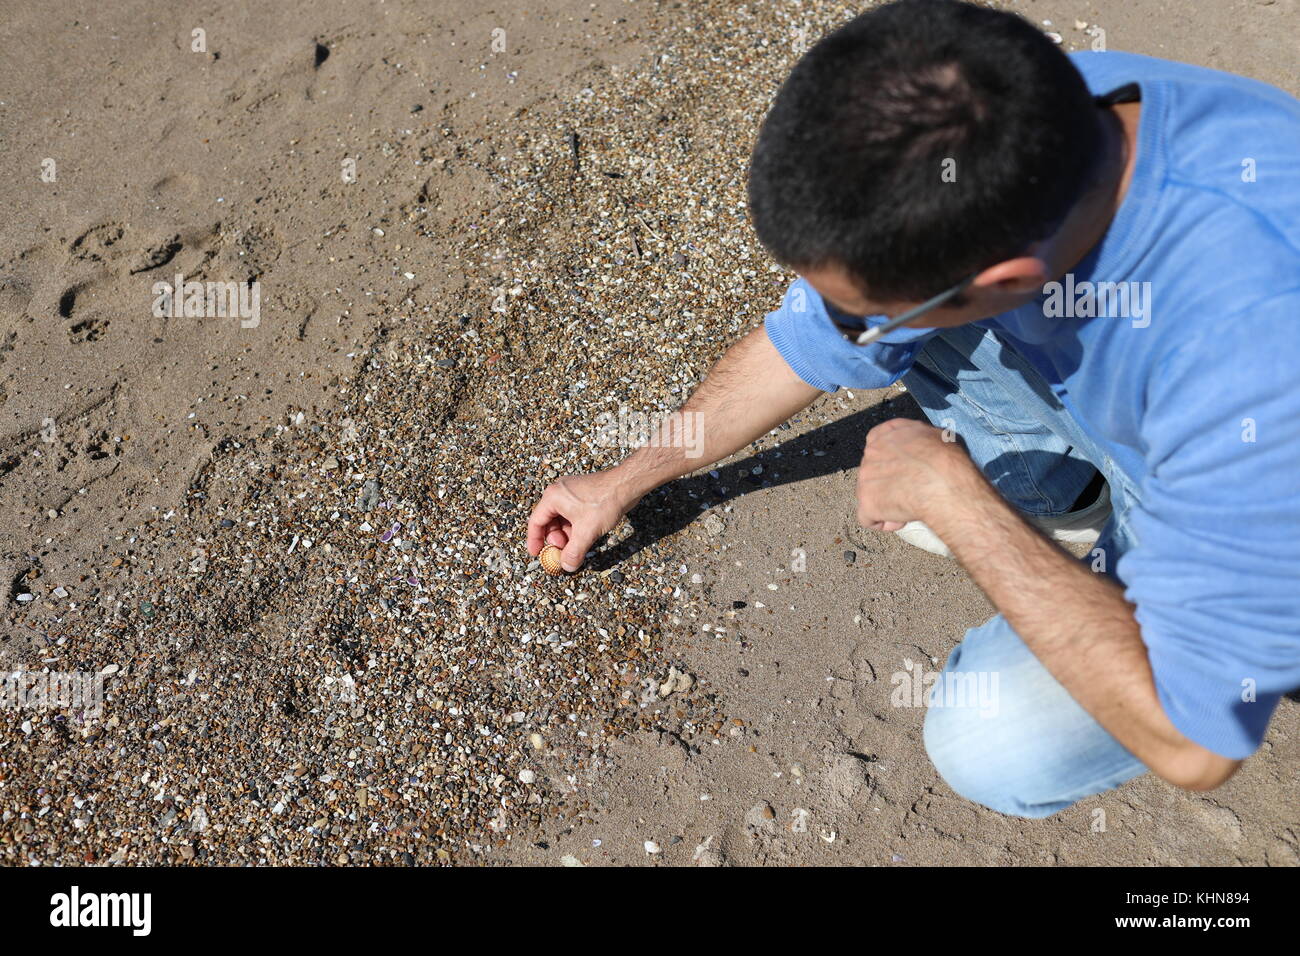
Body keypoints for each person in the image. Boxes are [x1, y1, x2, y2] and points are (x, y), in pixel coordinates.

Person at [526, 0, 1300, 817]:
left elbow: (1195, 740)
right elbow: (804, 343)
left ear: (1008, 281)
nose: (843, 332)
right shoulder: (1047, 113)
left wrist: (953, 497)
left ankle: (1117, 552)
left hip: (1244, 498)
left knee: (990, 739)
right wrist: (620, 481)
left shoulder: (1252, 362)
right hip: (1163, 417)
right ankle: (1069, 505)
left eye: (860, 321)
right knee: (901, 300)